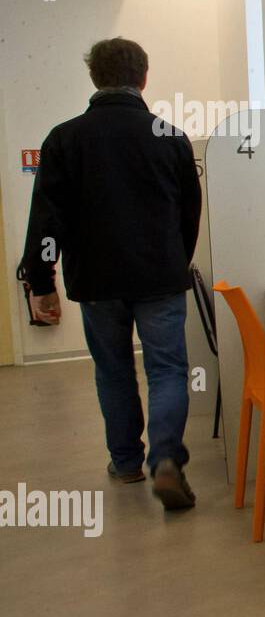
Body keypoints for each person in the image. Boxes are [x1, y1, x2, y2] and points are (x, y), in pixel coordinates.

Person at [22, 38, 203, 510]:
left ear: (94, 78)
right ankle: (166, 461)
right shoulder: (170, 136)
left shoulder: (64, 138)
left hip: (97, 281)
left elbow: (46, 219)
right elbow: (190, 212)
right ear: (144, 77)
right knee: (166, 370)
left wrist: (42, 283)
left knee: (113, 369)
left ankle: (125, 463)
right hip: (160, 275)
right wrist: (175, 260)